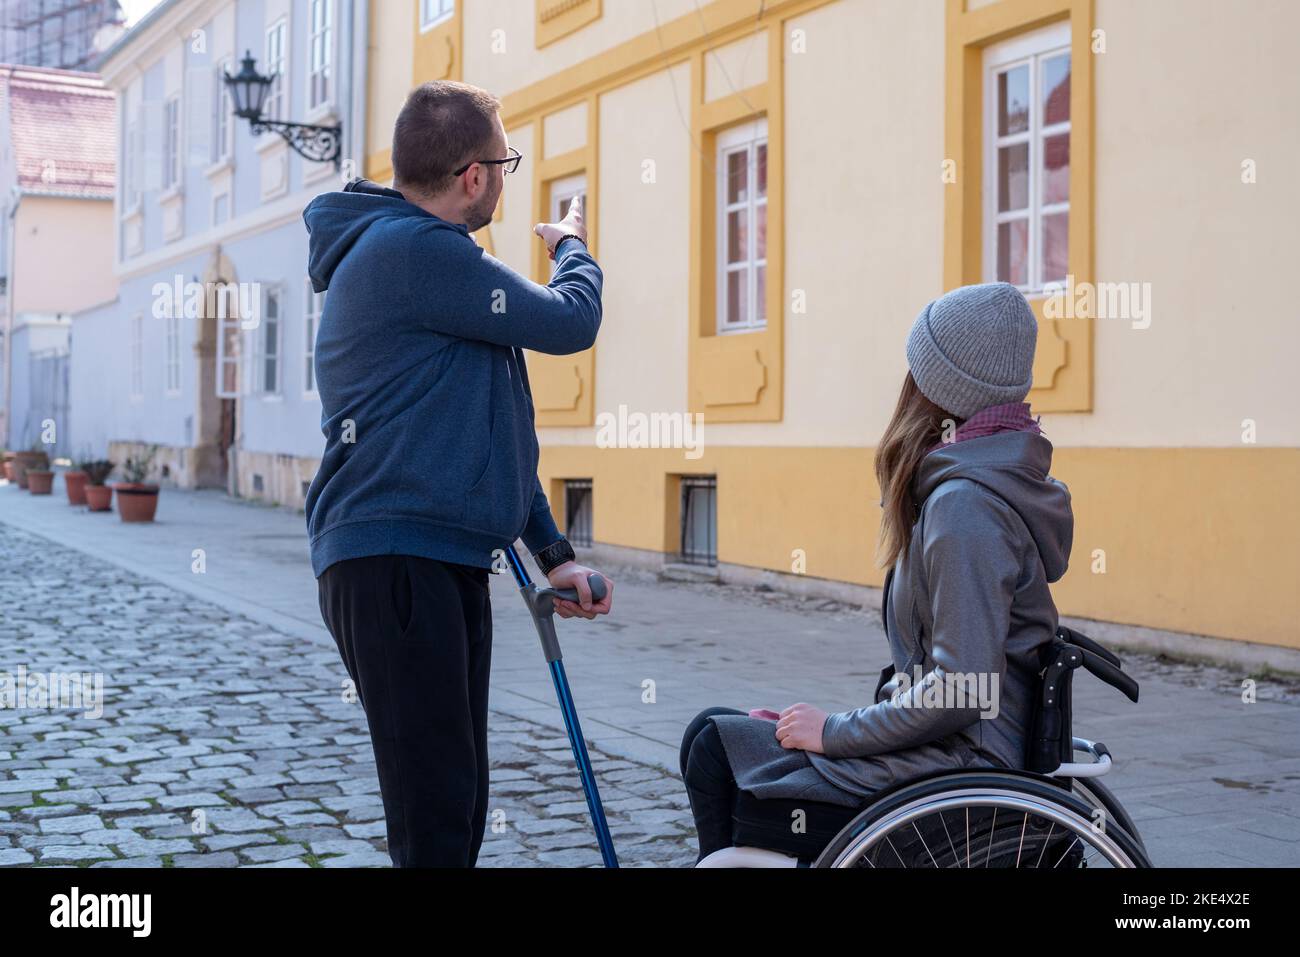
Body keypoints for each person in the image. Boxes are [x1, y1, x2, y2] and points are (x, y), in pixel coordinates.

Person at [303, 80, 614, 868]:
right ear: (475, 175)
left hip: (427, 558)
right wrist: (572, 246)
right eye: (505, 161)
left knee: (455, 805)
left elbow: (487, 426)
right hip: (396, 561)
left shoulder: (423, 258)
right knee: (436, 819)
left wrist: (554, 553)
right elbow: (570, 320)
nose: (506, 177)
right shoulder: (419, 252)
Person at [680, 282, 1072, 864]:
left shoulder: (967, 506)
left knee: (716, 746)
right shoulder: (987, 480)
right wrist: (817, 732)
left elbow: (962, 691)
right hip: (952, 754)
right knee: (716, 731)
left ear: (939, 388)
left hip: (960, 781)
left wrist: (834, 733)